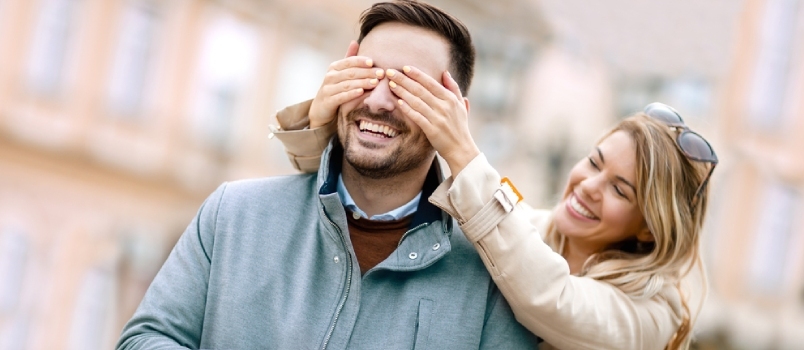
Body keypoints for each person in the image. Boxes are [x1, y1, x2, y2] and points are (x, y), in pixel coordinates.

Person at [116, 1, 540, 349]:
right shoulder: (233, 214)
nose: (377, 100)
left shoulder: (488, 278)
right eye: (366, 74)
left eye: (408, 87)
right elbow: (147, 338)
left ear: (455, 116)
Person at [274, 61, 716, 348]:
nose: (589, 185)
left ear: (649, 228)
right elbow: (404, 200)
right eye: (594, 162)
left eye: (621, 190)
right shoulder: (526, 231)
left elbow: (549, 297)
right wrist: (325, 127)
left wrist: (464, 152)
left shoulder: (657, 312)